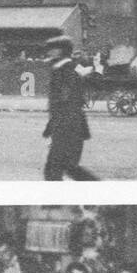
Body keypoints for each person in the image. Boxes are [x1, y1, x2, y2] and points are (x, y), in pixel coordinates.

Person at [42, 35, 95, 180]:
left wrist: (55, 127)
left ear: (60, 51)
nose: (49, 52)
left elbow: (64, 101)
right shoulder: (69, 67)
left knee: (55, 169)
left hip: (67, 127)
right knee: (67, 167)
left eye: (53, 49)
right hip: (71, 126)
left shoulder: (64, 70)